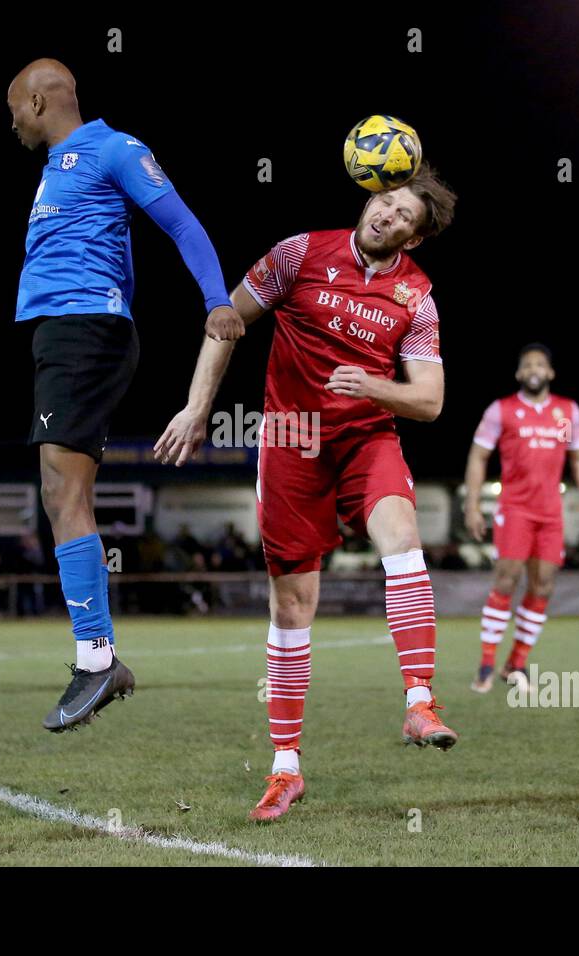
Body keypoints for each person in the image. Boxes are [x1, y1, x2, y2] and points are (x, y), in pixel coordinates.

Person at [155, 166, 460, 821]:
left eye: (403, 215)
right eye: (384, 200)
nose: (385, 215)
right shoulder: (300, 253)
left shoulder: (418, 297)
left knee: (403, 541)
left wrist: (374, 388)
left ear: (416, 237)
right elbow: (225, 321)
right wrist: (196, 407)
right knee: (293, 606)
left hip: (366, 439)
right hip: (290, 438)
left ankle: (418, 700)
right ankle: (285, 768)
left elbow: (430, 402)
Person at [7, 58, 242, 732]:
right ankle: (97, 657)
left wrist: (217, 301)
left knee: (62, 492)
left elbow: (181, 221)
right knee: (60, 492)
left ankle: (97, 659)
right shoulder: (56, 167)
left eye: (15, 110)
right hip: (64, 332)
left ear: (39, 98)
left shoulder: (114, 147)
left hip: (87, 327)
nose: (14, 123)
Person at [463, 344, 579, 694]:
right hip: (515, 508)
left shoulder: (565, 413)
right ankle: (486, 664)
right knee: (507, 580)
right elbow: (478, 456)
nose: (534, 368)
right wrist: (472, 504)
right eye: (527, 364)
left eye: (540, 364)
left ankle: (515, 664)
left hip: (550, 512)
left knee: (544, 585)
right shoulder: (502, 410)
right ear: (520, 373)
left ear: (550, 373)